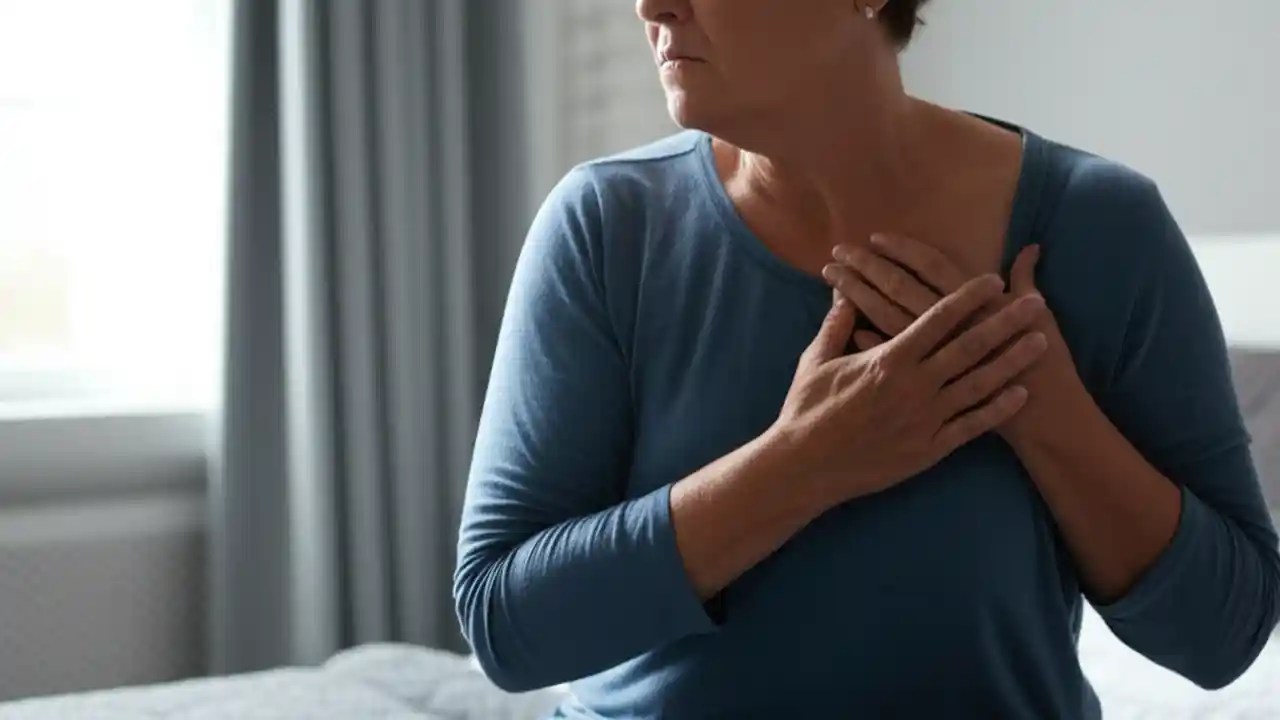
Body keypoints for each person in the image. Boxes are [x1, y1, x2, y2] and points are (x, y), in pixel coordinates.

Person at [452, 0, 1280, 716]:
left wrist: (1042, 404)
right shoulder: (605, 228)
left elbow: (1224, 637)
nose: (651, 6)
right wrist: (804, 464)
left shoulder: (1100, 229)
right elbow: (505, 625)